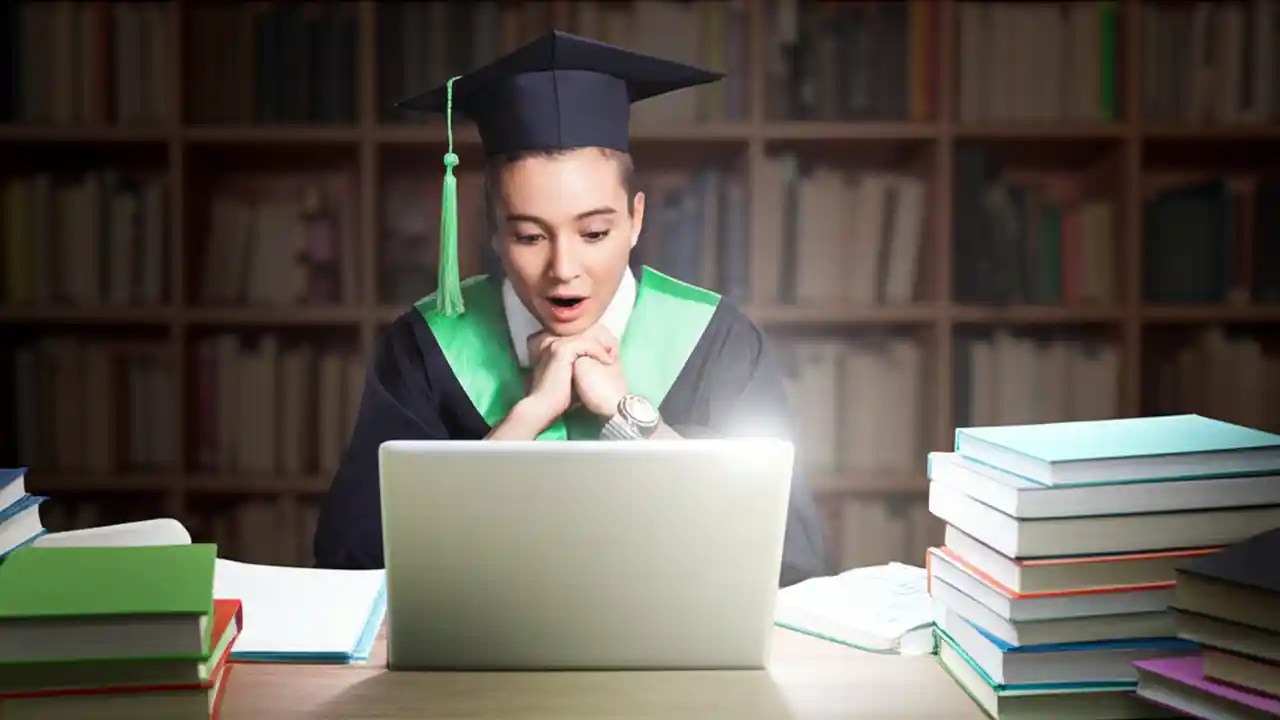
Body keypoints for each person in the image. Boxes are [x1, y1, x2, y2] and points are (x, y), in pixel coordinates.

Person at [313, 30, 827, 587]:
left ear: (636, 219)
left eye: (595, 231)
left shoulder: (717, 340)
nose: (563, 268)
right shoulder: (425, 347)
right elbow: (351, 558)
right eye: (531, 237)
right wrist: (526, 417)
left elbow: (789, 563)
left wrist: (634, 419)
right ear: (494, 232)